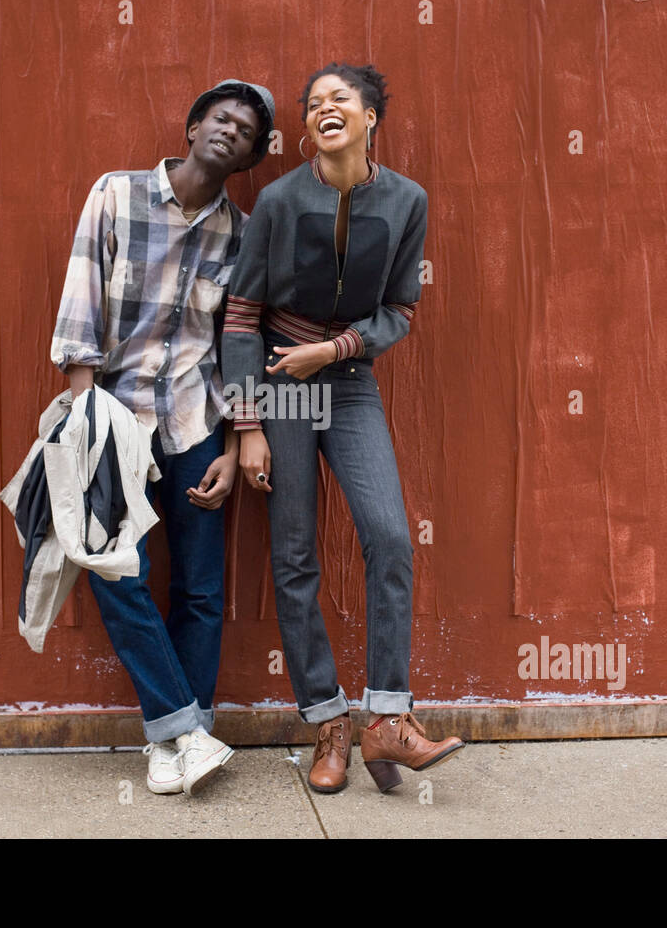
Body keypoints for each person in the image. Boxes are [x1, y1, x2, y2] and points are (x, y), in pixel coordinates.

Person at [222, 63, 464, 794]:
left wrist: (337, 350)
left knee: (389, 536)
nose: (327, 109)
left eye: (342, 100)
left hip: (349, 381)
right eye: (315, 103)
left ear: (369, 119)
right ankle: (328, 724)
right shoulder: (277, 199)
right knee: (295, 555)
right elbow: (240, 315)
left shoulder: (408, 200)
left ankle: (387, 719)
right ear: (306, 129)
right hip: (283, 386)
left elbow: (400, 309)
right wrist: (247, 423)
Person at [51, 79, 276, 796]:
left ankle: (179, 742)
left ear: (249, 157)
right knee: (114, 569)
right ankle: (182, 726)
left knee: (202, 589)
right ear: (191, 126)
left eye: (245, 130)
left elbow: (239, 342)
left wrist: (239, 446)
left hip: (195, 427)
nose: (231, 131)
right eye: (221, 118)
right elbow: (82, 293)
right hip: (113, 421)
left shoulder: (240, 235)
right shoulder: (115, 195)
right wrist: (86, 414)